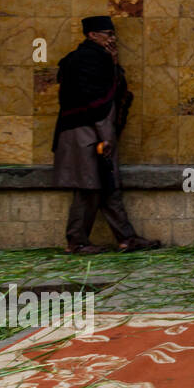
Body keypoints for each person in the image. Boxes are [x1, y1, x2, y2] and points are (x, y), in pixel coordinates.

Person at [52, 16, 161, 254]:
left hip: (93, 133)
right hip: (86, 134)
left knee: (107, 185)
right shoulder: (87, 60)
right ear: (92, 35)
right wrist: (105, 137)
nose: (113, 39)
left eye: (113, 34)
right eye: (108, 34)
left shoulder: (99, 59)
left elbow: (113, 91)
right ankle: (76, 242)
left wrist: (112, 64)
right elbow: (94, 102)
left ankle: (126, 238)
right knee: (89, 187)